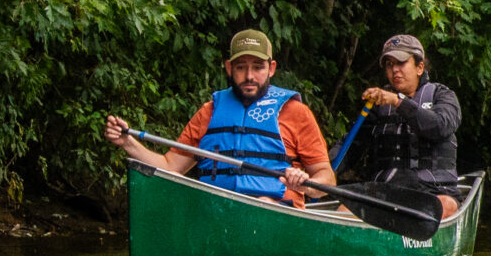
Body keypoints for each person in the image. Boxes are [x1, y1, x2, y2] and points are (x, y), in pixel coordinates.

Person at [104, 29, 336, 204]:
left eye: (258, 67)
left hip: (277, 211)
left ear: (271, 68)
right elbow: (169, 166)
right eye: (240, 67)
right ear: (228, 68)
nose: (249, 76)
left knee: (263, 202)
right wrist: (127, 143)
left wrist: (306, 184)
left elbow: (327, 178)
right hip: (218, 210)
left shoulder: (296, 113)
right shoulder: (210, 112)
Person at [354, 34, 463, 221]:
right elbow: (353, 145)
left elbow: (439, 127)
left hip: (435, 192)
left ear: (420, 67)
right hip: (386, 192)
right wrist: (323, 171)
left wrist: (398, 102)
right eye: (389, 64)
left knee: (443, 208)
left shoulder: (443, 96)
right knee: (344, 211)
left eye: (401, 63)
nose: (395, 70)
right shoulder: (377, 104)